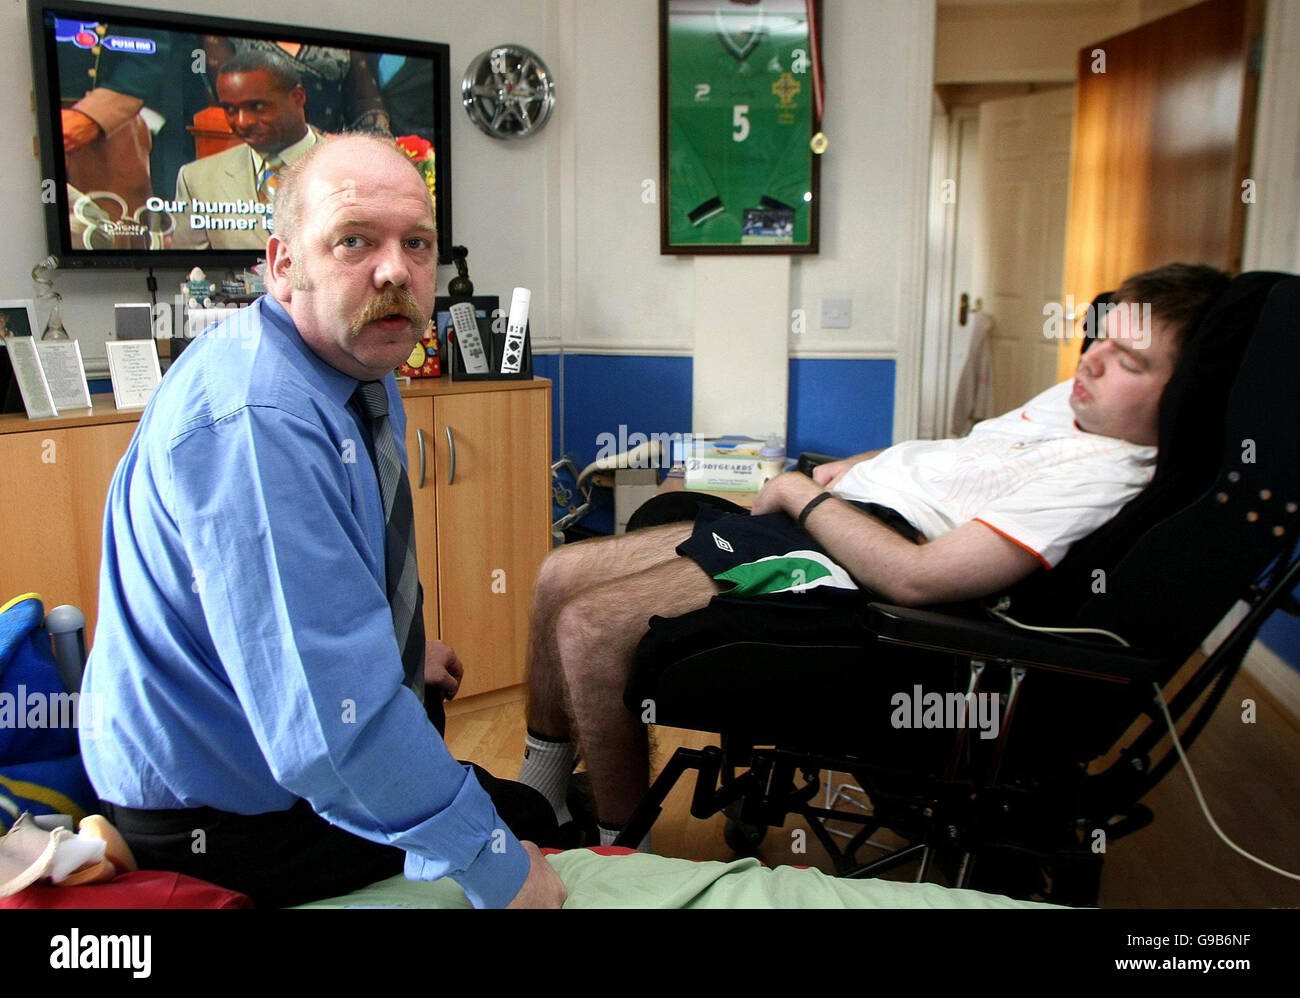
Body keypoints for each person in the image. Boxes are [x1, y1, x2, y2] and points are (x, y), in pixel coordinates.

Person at [517, 263, 1230, 846]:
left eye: (1127, 360)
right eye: (1098, 337)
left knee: (592, 625)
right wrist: (839, 469)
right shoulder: (1074, 402)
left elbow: (915, 578)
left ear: (1184, 400)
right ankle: (540, 801)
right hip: (834, 499)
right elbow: (944, 457)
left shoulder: (1105, 471)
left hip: (857, 556)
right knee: (561, 569)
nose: (1092, 360)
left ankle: (622, 855)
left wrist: (802, 497)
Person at [81, 133, 565, 909]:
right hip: (220, 816)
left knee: (483, 774)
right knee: (534, 821)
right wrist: (502, 870)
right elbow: (325, 738)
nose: (394, 271)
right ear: (281, 265)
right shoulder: (259, 415)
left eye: (417, 244)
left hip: (242, 744)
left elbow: (302, 588)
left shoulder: (354, 358)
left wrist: (396, 651)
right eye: (353, 241)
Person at [173, 50, 320, 251]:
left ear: (298, 97)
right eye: (230, 110)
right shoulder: (197, 179)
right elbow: (187, 272)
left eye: (257, 106)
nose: (243, 122)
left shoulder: (353, 166)